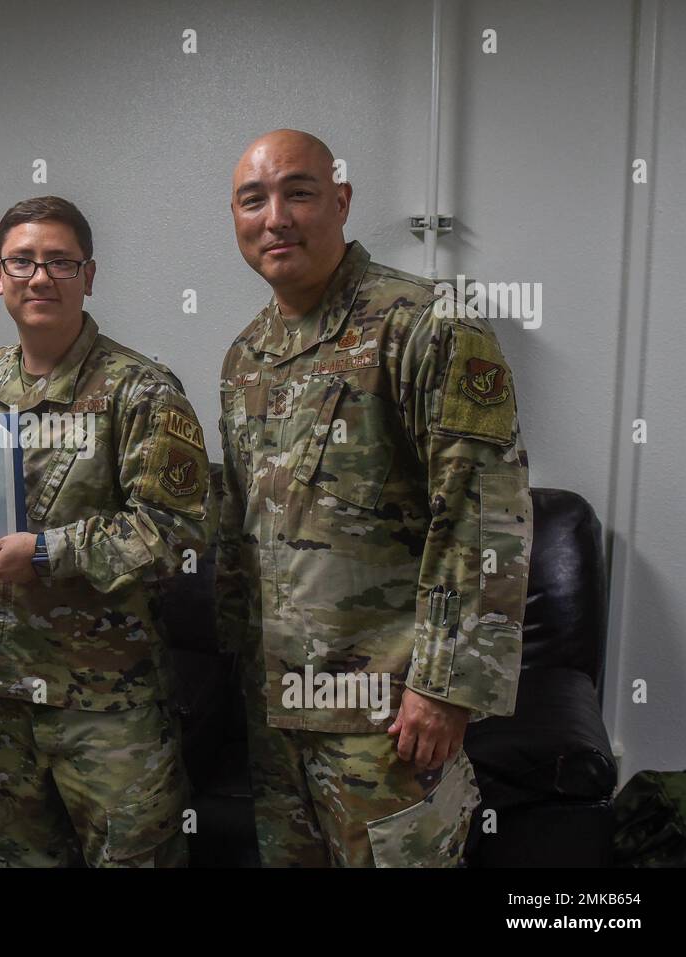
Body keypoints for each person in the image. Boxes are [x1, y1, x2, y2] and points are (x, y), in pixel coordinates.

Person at [215, 129, 532, 867]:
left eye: (299, 192)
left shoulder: (426, 325)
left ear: (341, 201)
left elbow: (486, 513)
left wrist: (447, 685)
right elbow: (237, 528)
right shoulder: (245, 356)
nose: (275, 217)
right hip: (280, 714)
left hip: (388, 718)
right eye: (252, 199)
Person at [0, 196, 214, 867]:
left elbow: (175, 531)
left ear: (89, 276)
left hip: (107, 704)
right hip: (6, 691)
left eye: (60, 263)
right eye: (23, 261)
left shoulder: (143, 391)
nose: (40, 278)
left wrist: (44, 552)